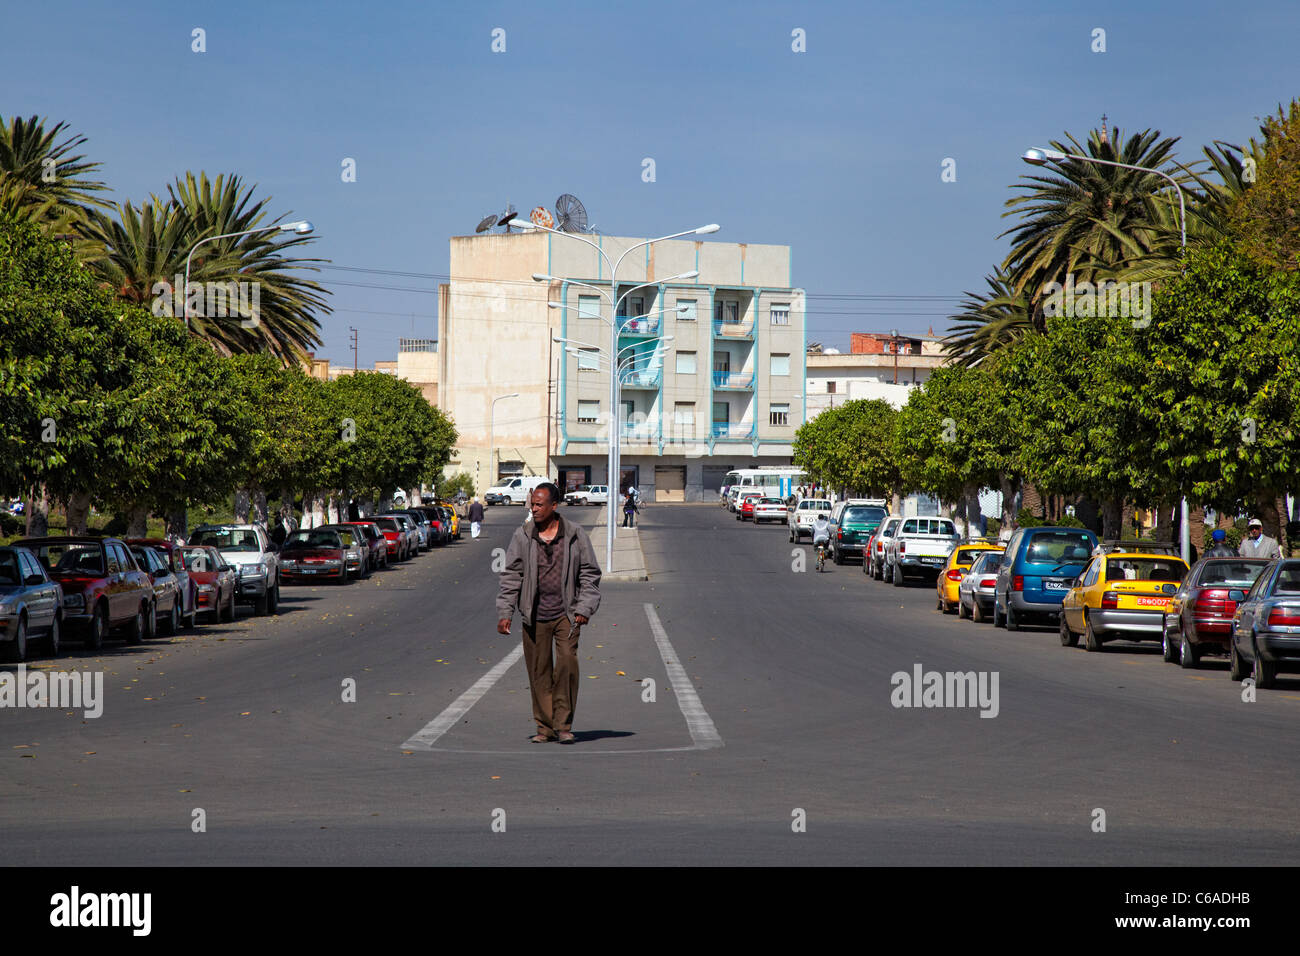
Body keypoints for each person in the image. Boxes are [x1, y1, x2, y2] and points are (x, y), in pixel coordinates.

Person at [496, 484, 601, 744]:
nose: (534, 509)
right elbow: (511, 575)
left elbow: (590, 573)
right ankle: (545, 727)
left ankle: (563, 725)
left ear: (555, 506)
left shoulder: (575, 535)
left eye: (539, 504)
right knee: (539, 671)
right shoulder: (523, 535)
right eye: (533, 504)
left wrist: (585, 607)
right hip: (534, 615)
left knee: (567, 664)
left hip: (567, 614)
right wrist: (505, 611)